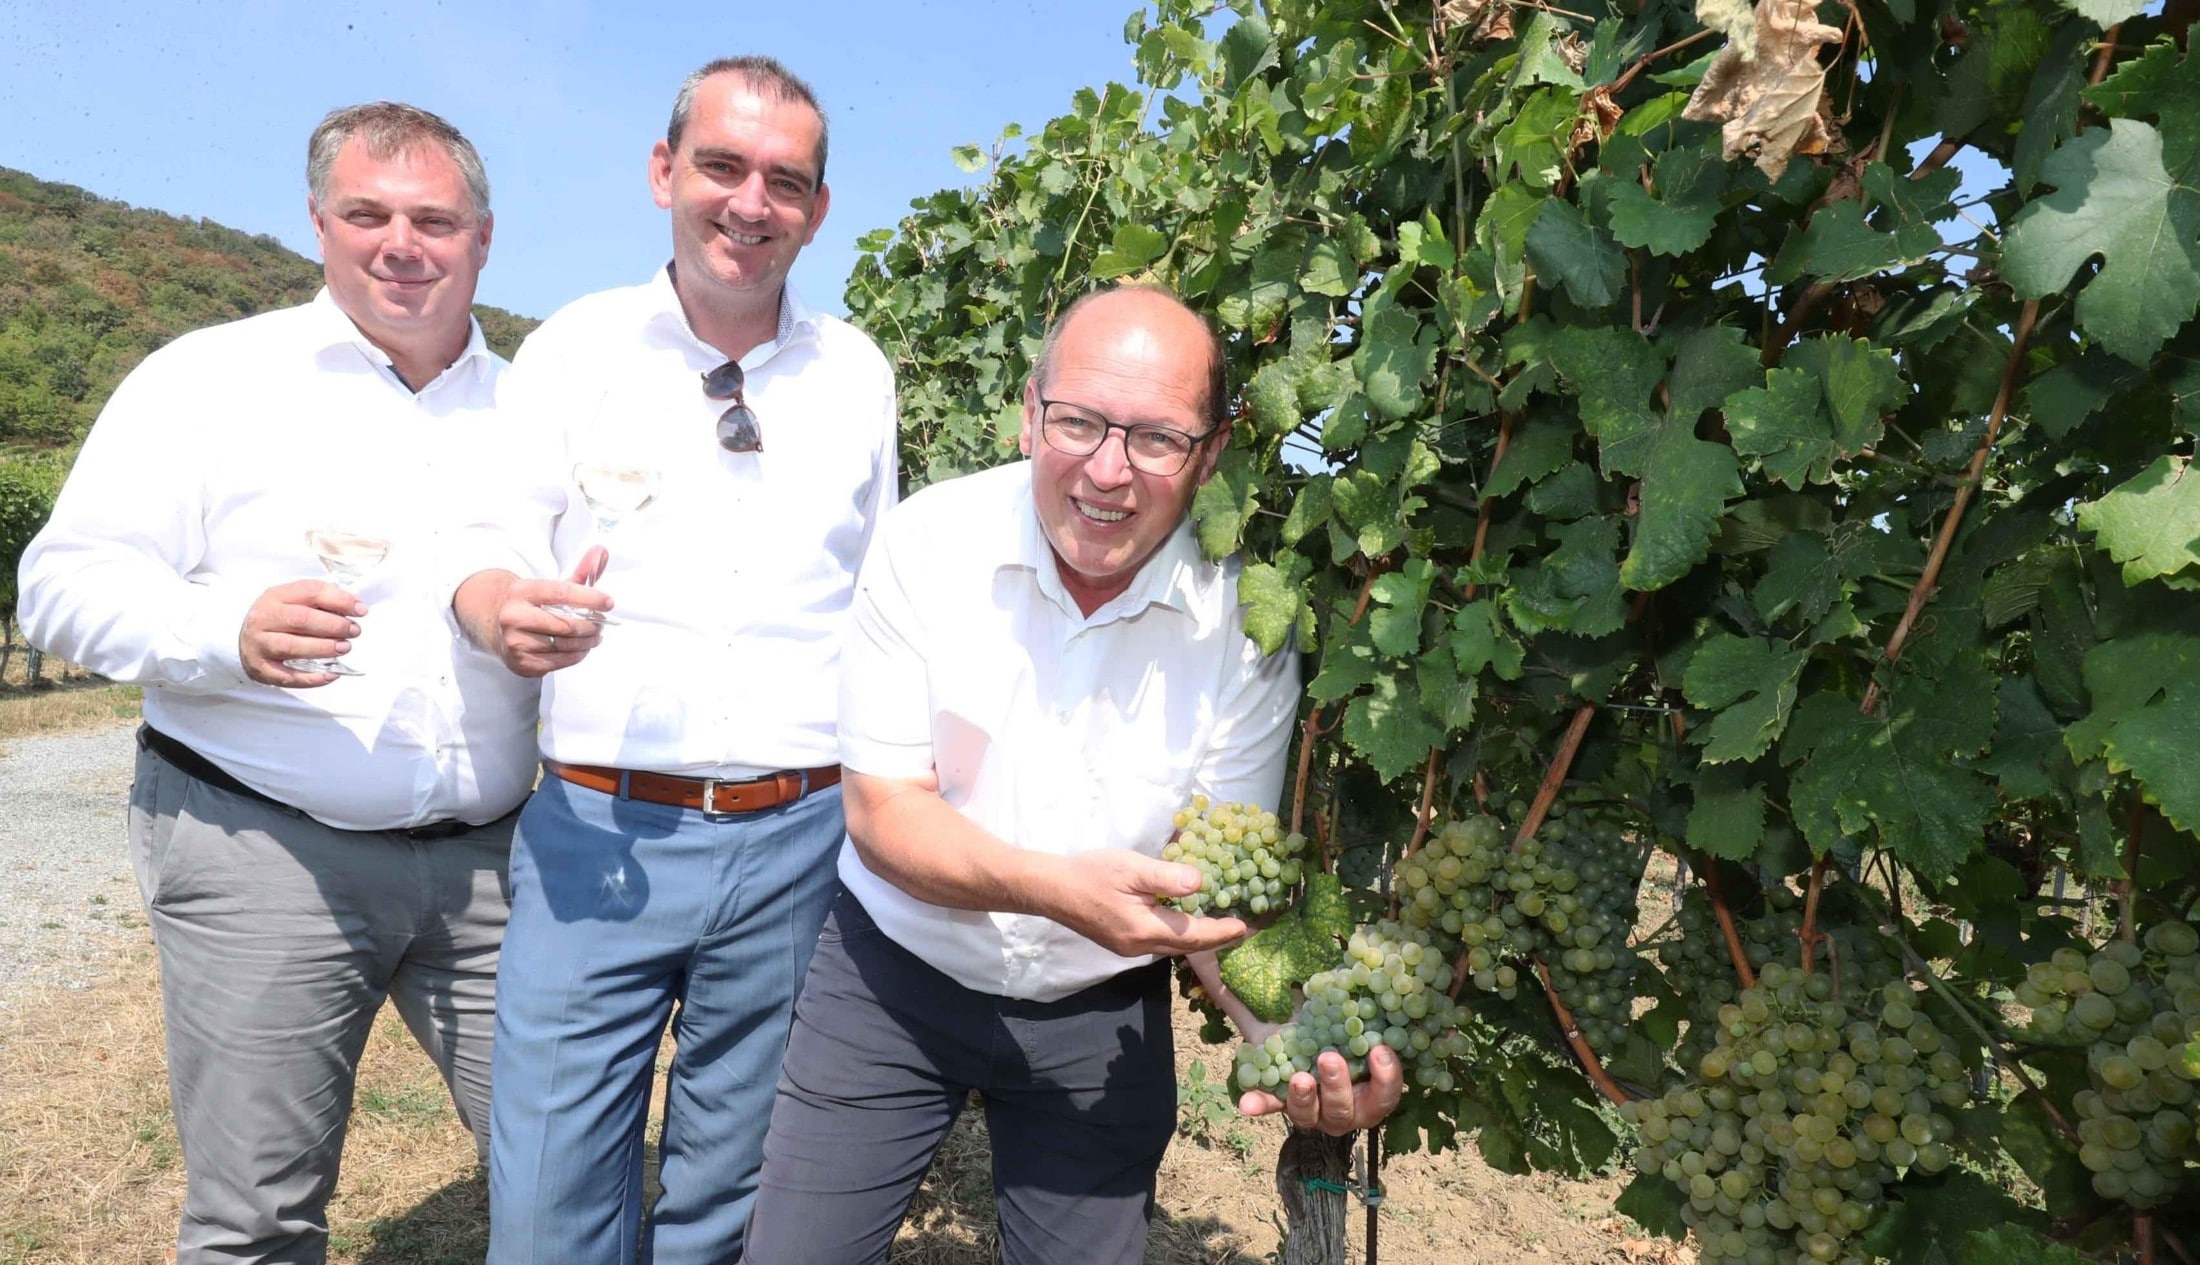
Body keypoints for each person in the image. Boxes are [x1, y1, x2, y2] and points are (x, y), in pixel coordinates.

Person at [738, 285, 1404, 1265]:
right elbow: (883, 813)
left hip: (1098, 1014)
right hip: (889, 983)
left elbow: (1214, 883)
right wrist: (1058, 889)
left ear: (1211, 453)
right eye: (1080, 421)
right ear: (1028, 410)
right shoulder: (929, 544)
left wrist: (1297, 1044)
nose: (1107, 470)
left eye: (1156, 438)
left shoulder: (1242, 627)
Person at [16, 102, 528, 1264]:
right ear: (318, 225)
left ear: (483, 239)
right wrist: (217, 627)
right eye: (368, 213)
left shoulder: (533, 412)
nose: (402, 242)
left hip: (499, 860)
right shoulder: (209, 379)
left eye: (434, 219)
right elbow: (59, 582)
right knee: (258, 1213)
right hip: (265, 848)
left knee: (559, 1161)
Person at [446, 56, 898, 1265]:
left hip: (800, 839)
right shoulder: (573, 350)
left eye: (785, 180)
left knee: (731, 1194)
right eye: (721, 166)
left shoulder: (859, 376)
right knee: (547, 1203)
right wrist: (502, 617)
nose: (751, 202)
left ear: (817, 206)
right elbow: (486, 550)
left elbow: (875, 601)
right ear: (663, 173)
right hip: (600, 828)